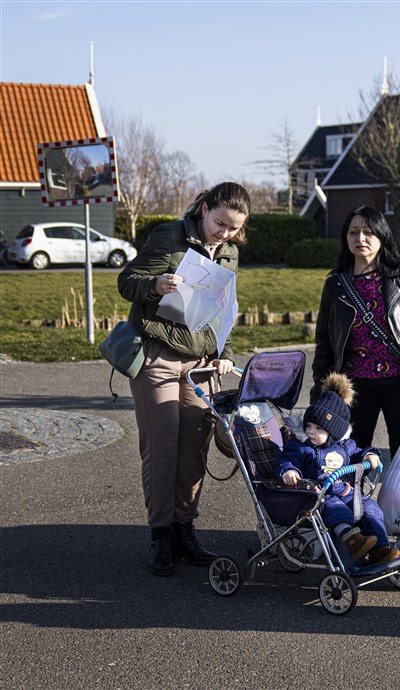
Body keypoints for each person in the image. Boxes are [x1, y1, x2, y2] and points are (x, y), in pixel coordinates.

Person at [117, 182, 250, 577]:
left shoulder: (229, 253)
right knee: (162, 450)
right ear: (204, 208)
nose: (225, 233)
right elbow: (127, 281)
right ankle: (160, 534)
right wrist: (154, 285)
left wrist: (225, 354)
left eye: (234, 228)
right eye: (221, 223)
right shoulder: (169, 236)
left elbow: (225, 311)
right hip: (157, 356)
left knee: (194, 451)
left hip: (201, 365)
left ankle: (184, 530)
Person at [311, 205, 400, 562]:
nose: (361, 238)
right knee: (346, 461)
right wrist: (321, 390)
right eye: (353, 232)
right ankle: (357, 534)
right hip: (354, 389)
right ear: (345, 238)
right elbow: (324, 341)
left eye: (368, 232)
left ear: (382, 236)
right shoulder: (336, 284)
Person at [272, 373, 400, 564]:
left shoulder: (345, 446)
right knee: (337, 509)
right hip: (316, 496)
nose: (311, 431)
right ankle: (353, 542)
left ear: (334, 433)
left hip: (345, 491)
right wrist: (289, 471)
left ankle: (380, 549)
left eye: (319, 428)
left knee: (371, 508)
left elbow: (359, 453)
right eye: (309, 425)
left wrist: (369, 456)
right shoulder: (301, 446)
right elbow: (286, 460)